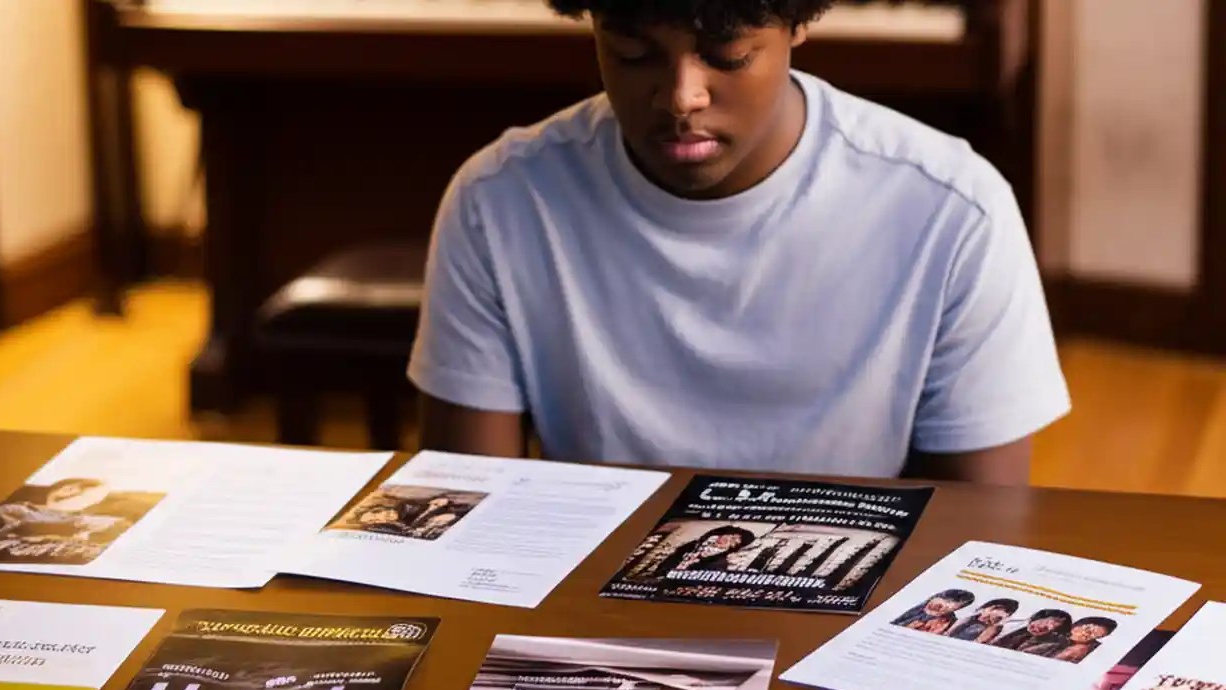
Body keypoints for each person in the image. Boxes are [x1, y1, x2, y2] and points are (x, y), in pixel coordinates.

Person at [409, 0, 1071, 485]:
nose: (680, 97)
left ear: (799, 23)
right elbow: (469, 513)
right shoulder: (500, 200)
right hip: (582, 619)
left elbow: (981, 531)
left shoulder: (952, 211)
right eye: (634, 53)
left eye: (728, 55)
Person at [654, 525, 756, 576]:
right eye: (732, 536)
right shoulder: (695, 544)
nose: (728, 540)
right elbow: (671, 559)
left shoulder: (719, 563)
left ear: (733, 548)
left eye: (733, 542)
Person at [891, 590, 974, 635]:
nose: (941, 610)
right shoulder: (912, 606)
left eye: (949, 609)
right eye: (939, 606)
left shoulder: (947, 622)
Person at [995, 609, 1073, 653]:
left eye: (1045, 629)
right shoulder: (1015, 628)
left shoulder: (1050, 644)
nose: (1037, 629)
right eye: (1040, 623)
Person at [1044, 617, 1117, 664]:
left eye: (1095, 636)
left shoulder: (1087, 649)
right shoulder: (1053, 629)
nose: (1086, 636)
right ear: (1081, 623)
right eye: (1088, 630)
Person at [946, 598, 1019, 644]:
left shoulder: (992, 629)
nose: (987, 619)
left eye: (998, 618)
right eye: (988, 615)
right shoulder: (968, 617)